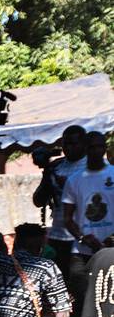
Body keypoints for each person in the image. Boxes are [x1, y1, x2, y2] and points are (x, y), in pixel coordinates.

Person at [61, 130, 114, 303]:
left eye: (101, 147)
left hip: (111, 249)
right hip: (82, 252)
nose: (97, 151)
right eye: (92, 147)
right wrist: (83, 238)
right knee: (82, 299)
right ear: (85, 148)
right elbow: (67, 218)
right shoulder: (74, 180)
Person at [33, 124, 86, 266]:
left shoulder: (91, 165)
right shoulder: (57, 166)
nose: (68, 148)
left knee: (78, 282)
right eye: (65, 144)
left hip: (81, 236)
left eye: (73, 144)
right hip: (57, 235)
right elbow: (38, 201)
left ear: (83, 144)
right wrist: (47, 174)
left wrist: (68, 186)